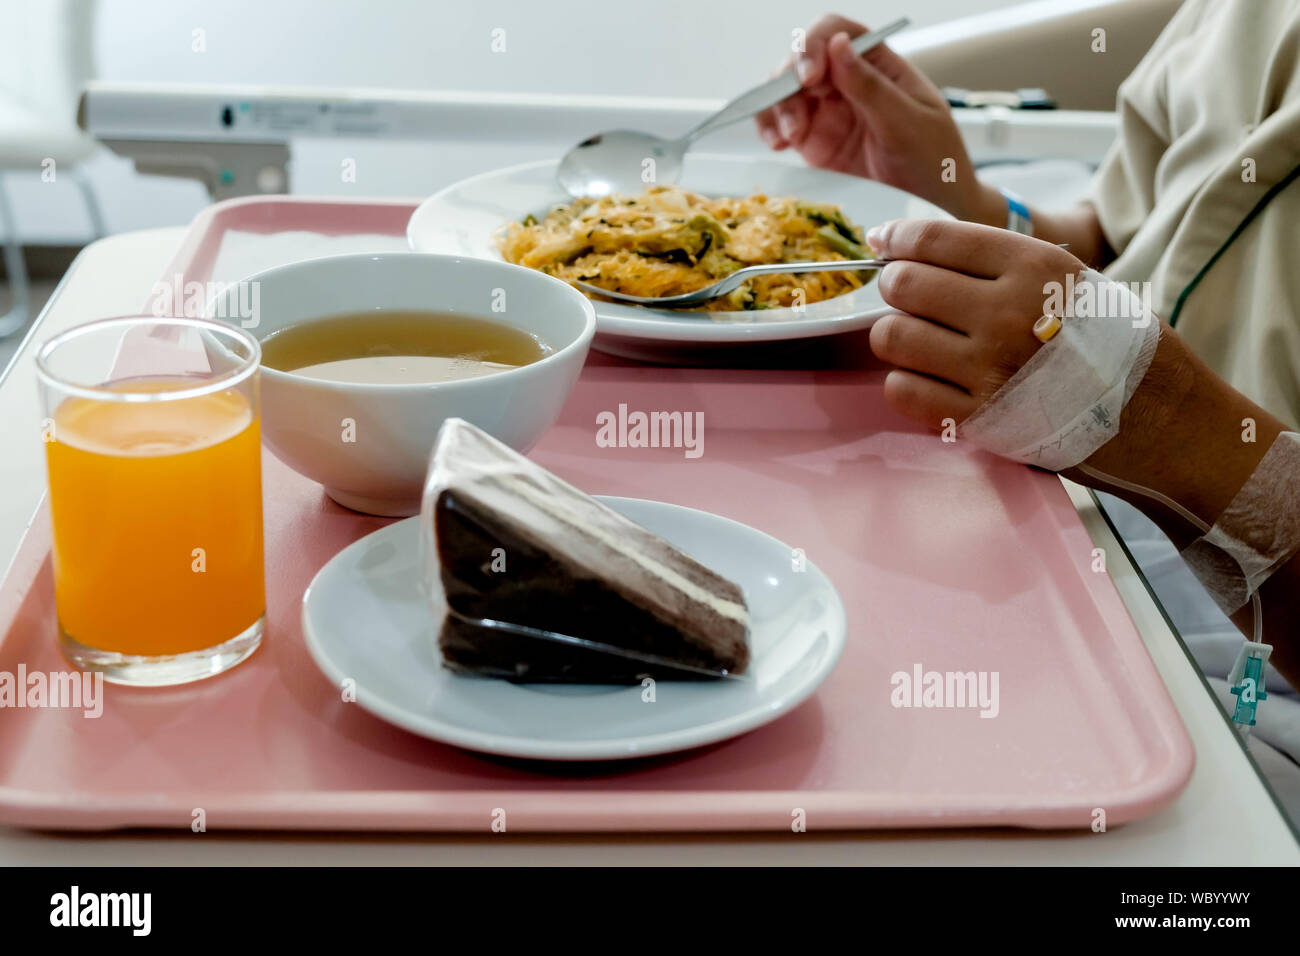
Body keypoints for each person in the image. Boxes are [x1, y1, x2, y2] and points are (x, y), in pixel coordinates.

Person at [755, 4, 1300, 687]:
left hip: (1259, 665)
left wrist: (1158, 420)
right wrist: (957, 205)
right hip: (1084, 505)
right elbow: (1124, 233)